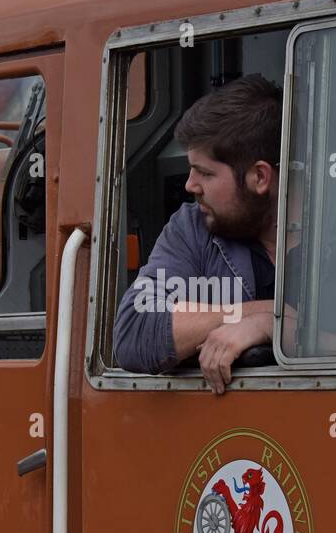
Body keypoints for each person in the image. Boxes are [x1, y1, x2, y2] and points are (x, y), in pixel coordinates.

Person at [113, 74, 283, 394]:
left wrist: (275, 328)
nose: (190, 185)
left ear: (260, 177)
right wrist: (259, 315)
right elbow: (135, 330)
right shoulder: (193, 228)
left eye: (205, 172)